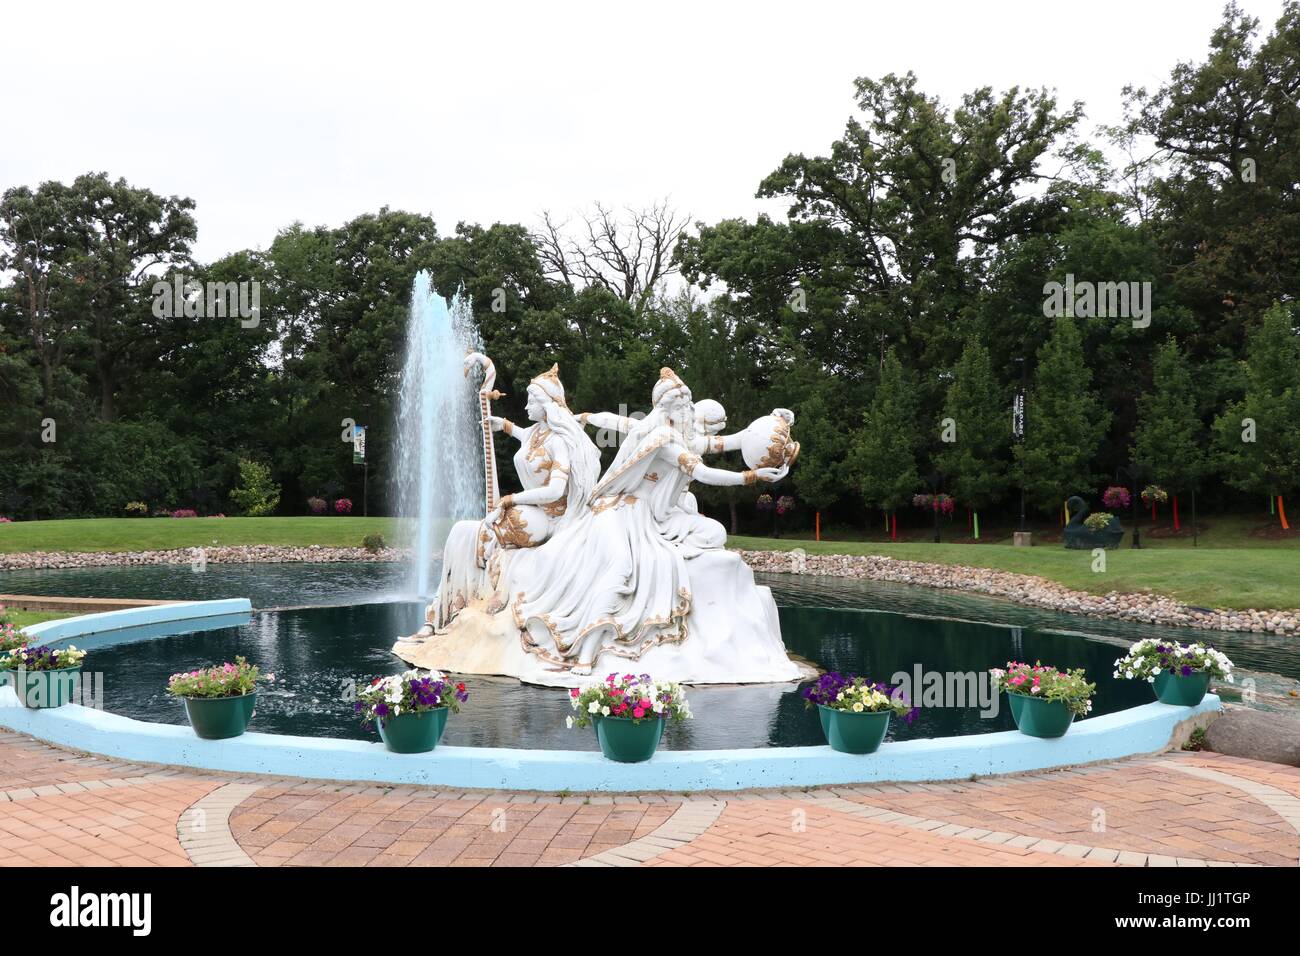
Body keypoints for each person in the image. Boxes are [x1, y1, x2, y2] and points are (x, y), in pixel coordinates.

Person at [508, 368, 785, 673]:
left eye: (689, 405)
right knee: (622, 568)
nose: (689, 411)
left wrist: (778, 422)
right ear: (665, 410)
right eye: (682, 406)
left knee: (715, 533)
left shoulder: (682, 435)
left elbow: (729, 442)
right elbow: (702, 473)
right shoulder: (662, 438)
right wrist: (751, 477)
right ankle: (586, 650)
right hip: (620, 512)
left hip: (657, 517)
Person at [422, 363, 599, 633]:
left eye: (531, 400)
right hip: (532, 511)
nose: (527, 405)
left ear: (547, 405)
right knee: (461, 531)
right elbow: (523, 435)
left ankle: (486, 595)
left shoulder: (558, 441)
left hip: (550, 517)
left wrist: (511, 499)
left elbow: (555, 491)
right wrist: (503, 425)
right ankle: (440, 611)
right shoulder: (536, 433)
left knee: (495, 527)